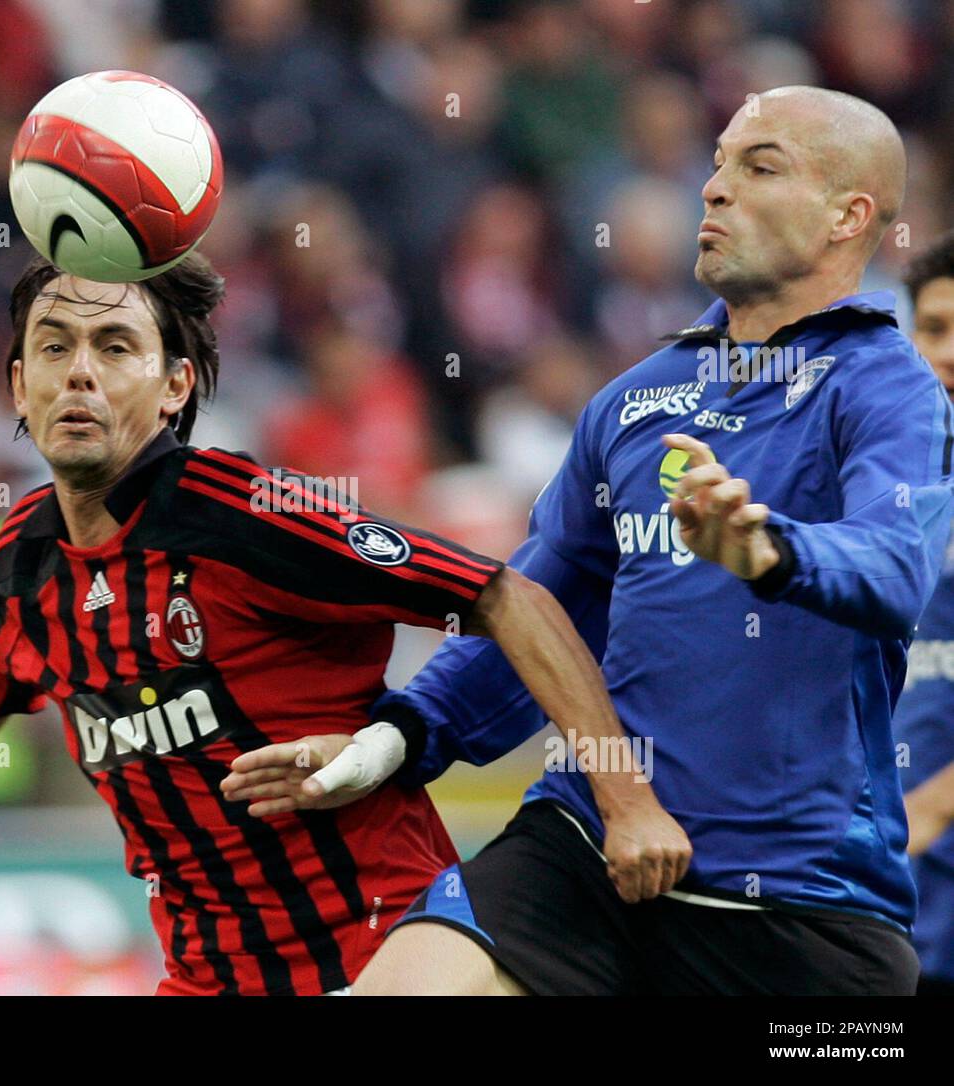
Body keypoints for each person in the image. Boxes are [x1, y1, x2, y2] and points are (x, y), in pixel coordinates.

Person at [0, 253, 687, 996]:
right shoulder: (19, 568)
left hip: (387, 947)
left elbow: (504, 594)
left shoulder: (253, 514)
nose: (80, 372)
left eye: (114, 345)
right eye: (51, 347)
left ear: (175, 385)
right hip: (205, 975)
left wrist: (623, 795)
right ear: (17, 383)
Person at [247, 86, 954, 996]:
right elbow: (532, 608)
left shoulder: (887, 385)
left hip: (799, 901)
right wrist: (391, 738)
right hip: (588, 844)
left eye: (760, 166)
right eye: (718, 163)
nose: (714, 188)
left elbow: (896, 568)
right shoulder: (632, 399)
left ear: (846, 217)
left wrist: (767, 549)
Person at [894, 231, 954, 996]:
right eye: (935, 328)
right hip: (885, 905)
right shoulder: (878, 485)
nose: (950, 352)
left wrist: (931, 809)